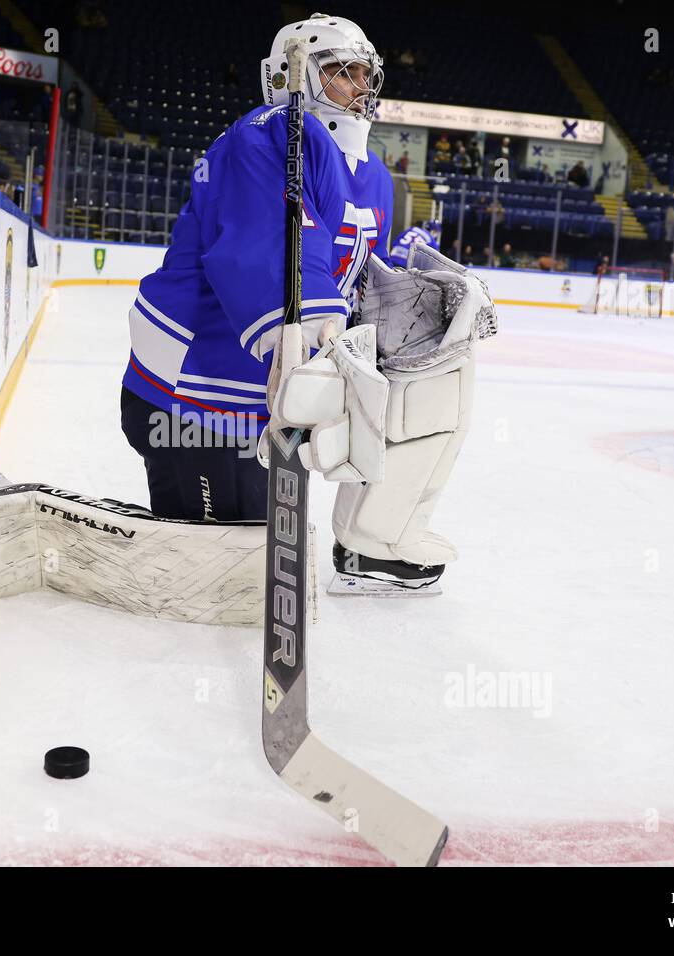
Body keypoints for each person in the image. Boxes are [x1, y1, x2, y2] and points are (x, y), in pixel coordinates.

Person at [119, 13, 492, 593]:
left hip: (275, 387)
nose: (358, 87)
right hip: (197, 394)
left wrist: (398, 311)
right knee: (226, 574)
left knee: (429, 384)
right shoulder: (267, 133)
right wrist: (319, 330)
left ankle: (374, 539)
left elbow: (353, 272)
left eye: (364, 73)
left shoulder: (375, 175)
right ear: (290, 76)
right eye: (341, 72)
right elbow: (269, 242)